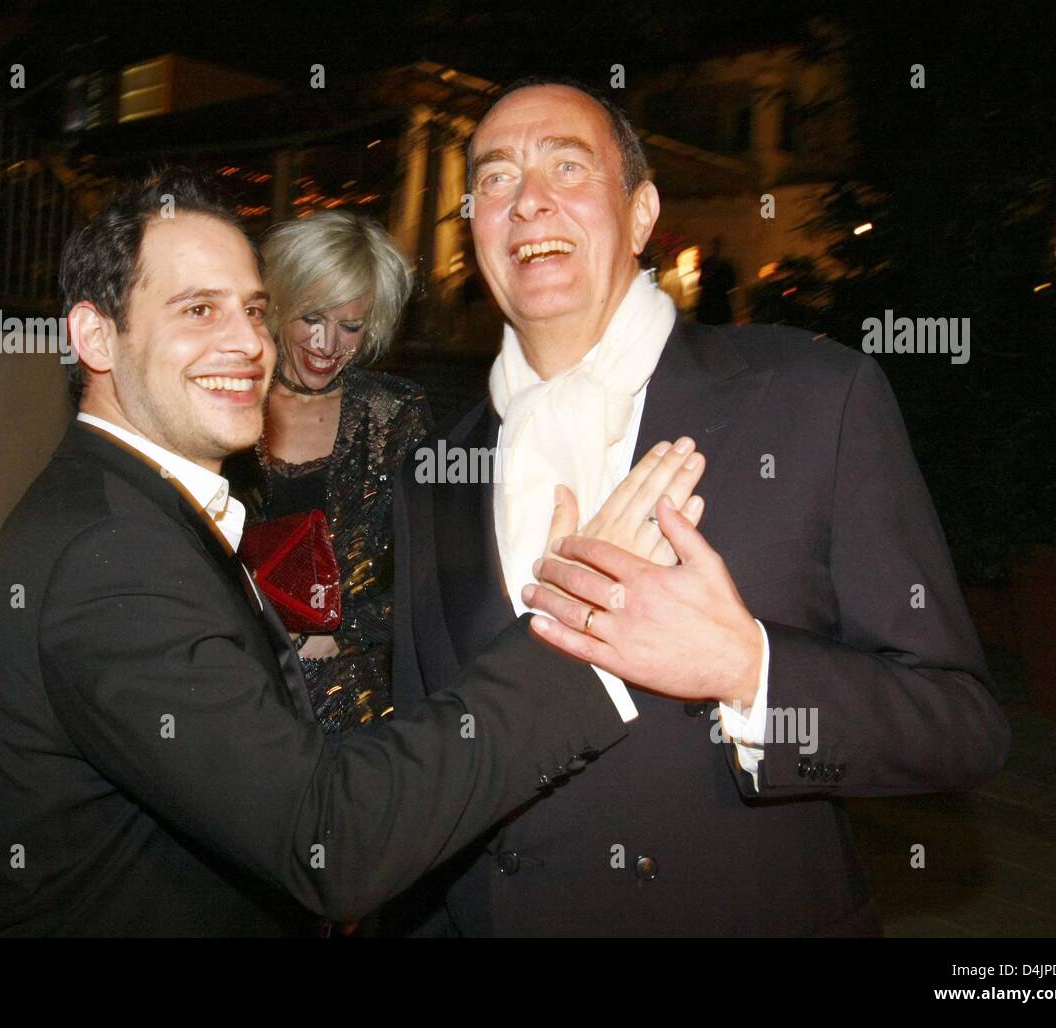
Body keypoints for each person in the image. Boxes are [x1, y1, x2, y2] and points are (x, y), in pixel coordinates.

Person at [0, 168, 708, 936]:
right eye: (198, 309)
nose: (249, 341)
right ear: (93, 337)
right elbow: (329, 840)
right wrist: (571, 647)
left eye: (253, 310)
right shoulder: (110, 558)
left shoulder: (127, 506)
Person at [386, 79, 1011, 936]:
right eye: (495, 180)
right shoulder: (434, 470)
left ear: (642, 214)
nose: (528, 200)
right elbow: (430, 772)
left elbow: (960, 728)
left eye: (567, 167)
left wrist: (749, 670)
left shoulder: (814, 395)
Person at [223, 212, 432, 733]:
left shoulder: (393, 414)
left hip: (357, 705)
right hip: (232, 690)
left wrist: (345, 630)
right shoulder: (224, 401)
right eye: (311, 317)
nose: (327, 343)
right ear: (278, 306)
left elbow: (425, 571)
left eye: (350, 326)